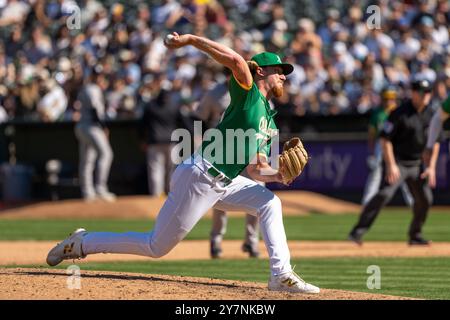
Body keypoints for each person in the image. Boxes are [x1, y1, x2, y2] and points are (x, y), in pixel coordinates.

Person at [47, 32, 320, 294]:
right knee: (156, 246)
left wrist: (279, 175)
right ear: (260, 71)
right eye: (278, 69)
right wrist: (190, 40)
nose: (283, 74)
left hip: (226, 182)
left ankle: (281, 275)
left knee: (270, 203)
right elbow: (236, 60)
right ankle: (81, 243)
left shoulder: (269, 121)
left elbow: (257, 168)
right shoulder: (248, 93)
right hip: (200, 177)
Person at [348, 79, 441, 246]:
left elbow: (435, 142)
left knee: (425, 199)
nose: (425, 95)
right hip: (398, 162)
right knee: (384, 194)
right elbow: (385, 139)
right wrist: (391, 165)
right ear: (413, 93)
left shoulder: (431, 114)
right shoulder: (399, 113)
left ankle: (415, 235)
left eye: (428, 92)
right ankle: (357, 233)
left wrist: (432, 167)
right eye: (422, 92)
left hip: (417, 164)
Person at [193, 67, 260, 259]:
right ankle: (216, 241)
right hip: (222, 151)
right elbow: (199, 118)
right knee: (218, 196)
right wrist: (201, 143)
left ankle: (251, 241)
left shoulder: (254, 92)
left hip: (249, 150)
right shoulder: (215, 93)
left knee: (258, 195)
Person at [362, 86, 414, 207]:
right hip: (380, 146)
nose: (388, 101)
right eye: (386, 98)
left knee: (403, 174)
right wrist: (371, 152)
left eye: (391, 98)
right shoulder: (377, 113)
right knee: (376, 173)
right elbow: (372, 134)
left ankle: (413, 201)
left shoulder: (399, 112)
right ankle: (367, 201)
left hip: (397, 146)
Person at [74, 66, 116, 202]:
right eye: (97, 75)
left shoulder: (85, 88)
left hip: (82, 126)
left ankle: (87, 192)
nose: (99, 78)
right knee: (106, 154)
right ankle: (100, 188)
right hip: (91, 127)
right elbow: (95, 110)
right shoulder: (93, 88)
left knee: (87, 160)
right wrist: (103, 127)